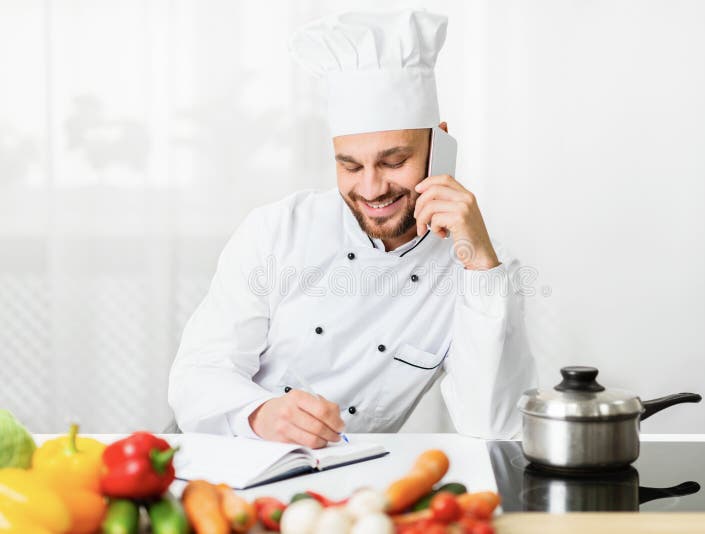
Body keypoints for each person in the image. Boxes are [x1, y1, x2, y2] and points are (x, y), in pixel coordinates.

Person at [168, 8, 535, 447]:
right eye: (350, 166)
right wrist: (259, 413)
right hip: (222, 450)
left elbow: (494, 426)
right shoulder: (276, 230)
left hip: (344, 479)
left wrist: (479, 266)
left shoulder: (481, 266)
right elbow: (198, 373)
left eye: (394, 161)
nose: (372, 188)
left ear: (440, 145)